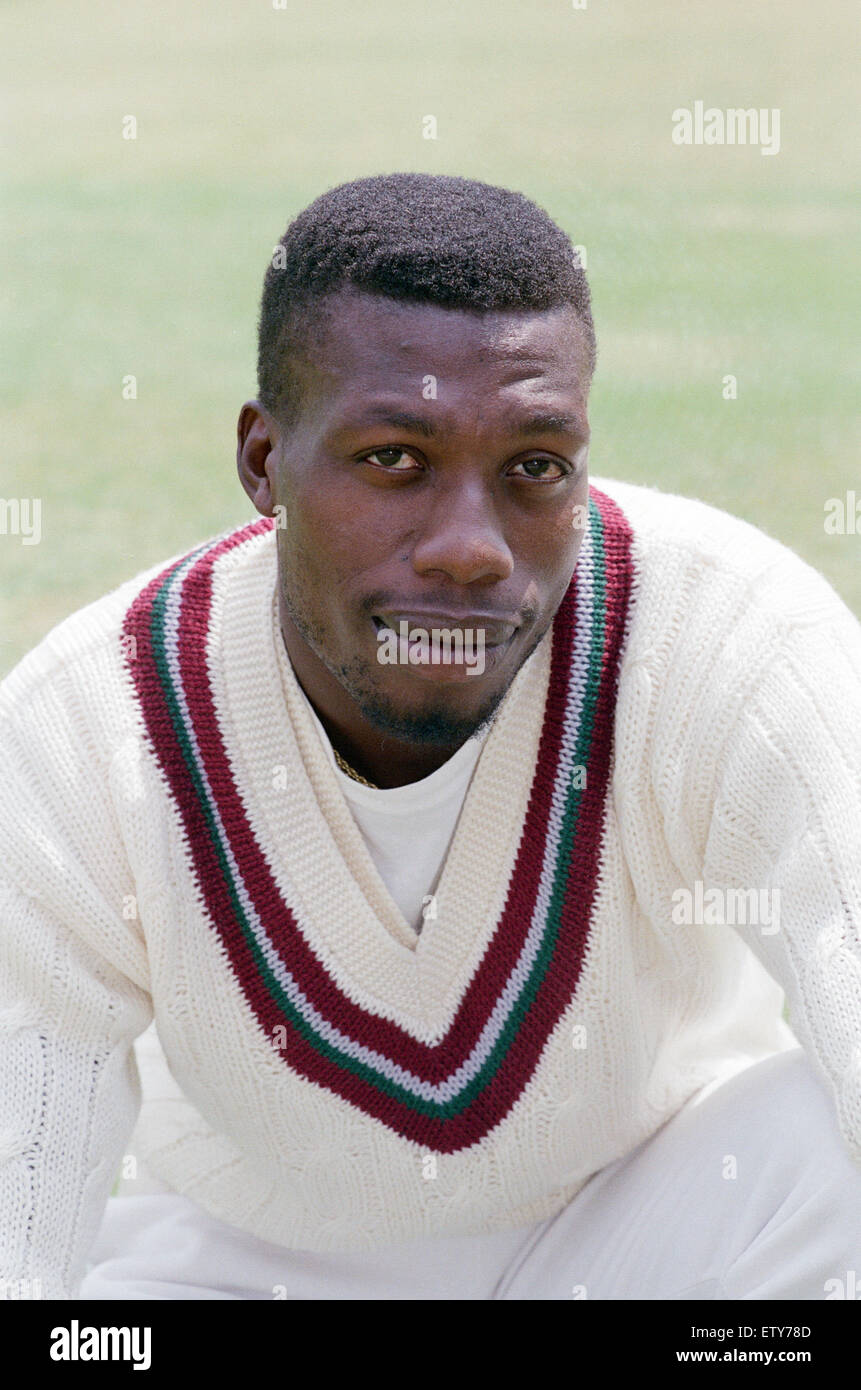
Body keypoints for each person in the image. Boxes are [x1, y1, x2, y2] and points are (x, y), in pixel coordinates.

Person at [1, 173, 859, 1302]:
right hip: (265, 1273)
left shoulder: (733, 637)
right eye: (394, 458)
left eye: (533, 468)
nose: (471, 549)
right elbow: (27, 1204)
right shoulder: (85, 726)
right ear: (264, 462)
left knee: (821, 1149)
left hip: (657, 1234)